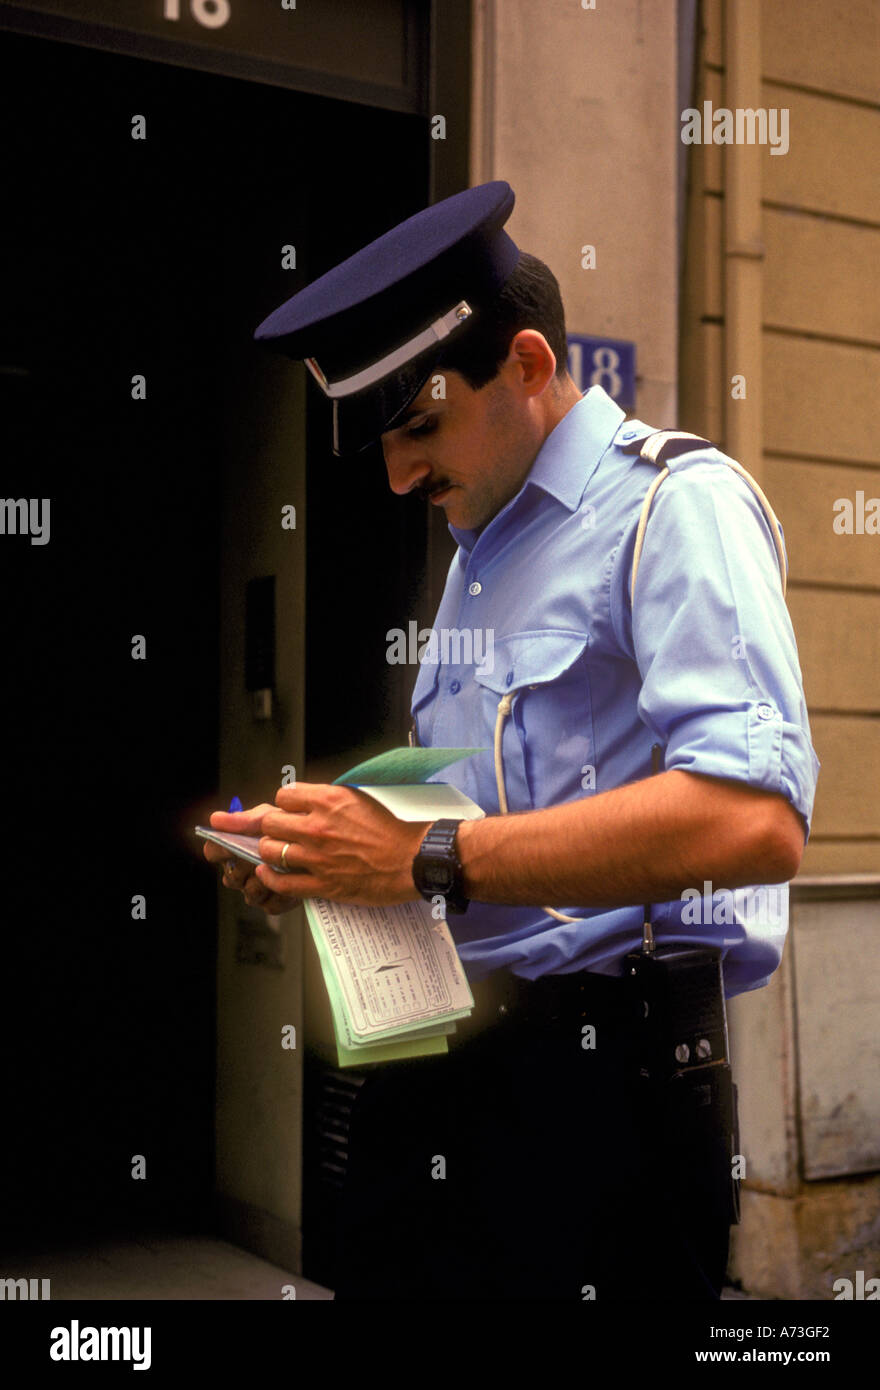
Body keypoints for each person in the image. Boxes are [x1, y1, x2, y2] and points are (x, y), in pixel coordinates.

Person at [202, 181, 819, 1300]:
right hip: (430, 1069)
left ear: (528, 366)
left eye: (419, 426)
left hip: (595, 1100)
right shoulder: (480, 546)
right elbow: (472, 823)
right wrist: (330, 854)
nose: (397, 477)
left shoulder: (675, 505)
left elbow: (753, 819)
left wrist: (426, 859)